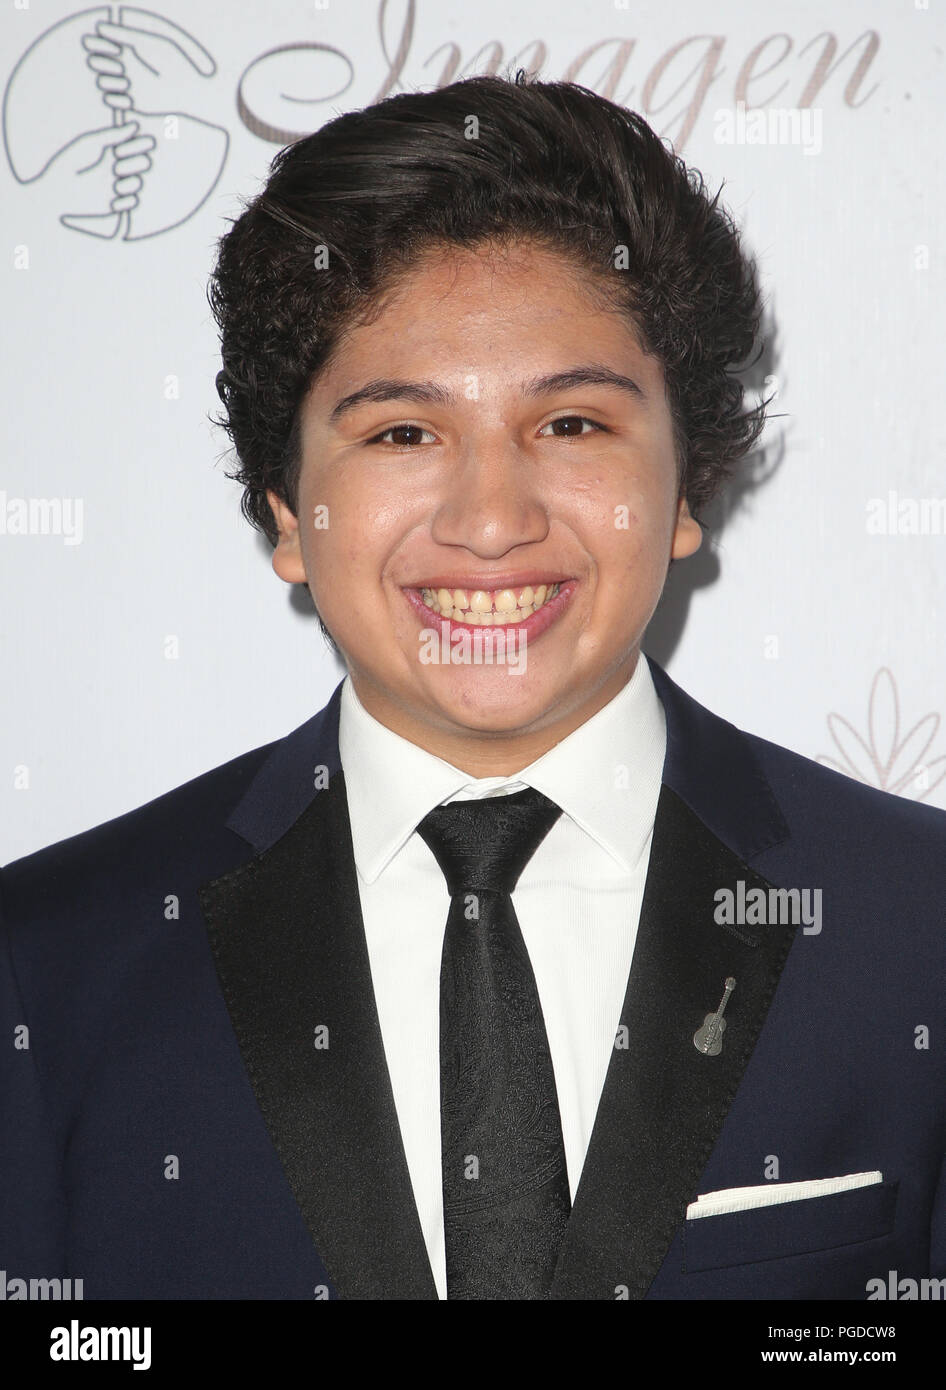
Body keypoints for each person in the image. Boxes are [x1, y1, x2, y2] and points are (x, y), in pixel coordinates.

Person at [2, 71, 944, 1302]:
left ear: (688, 489)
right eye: (402, 433)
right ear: (287, 512)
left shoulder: (914, 925)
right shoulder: (49, 965)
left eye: (572, 426)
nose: (492, 522)